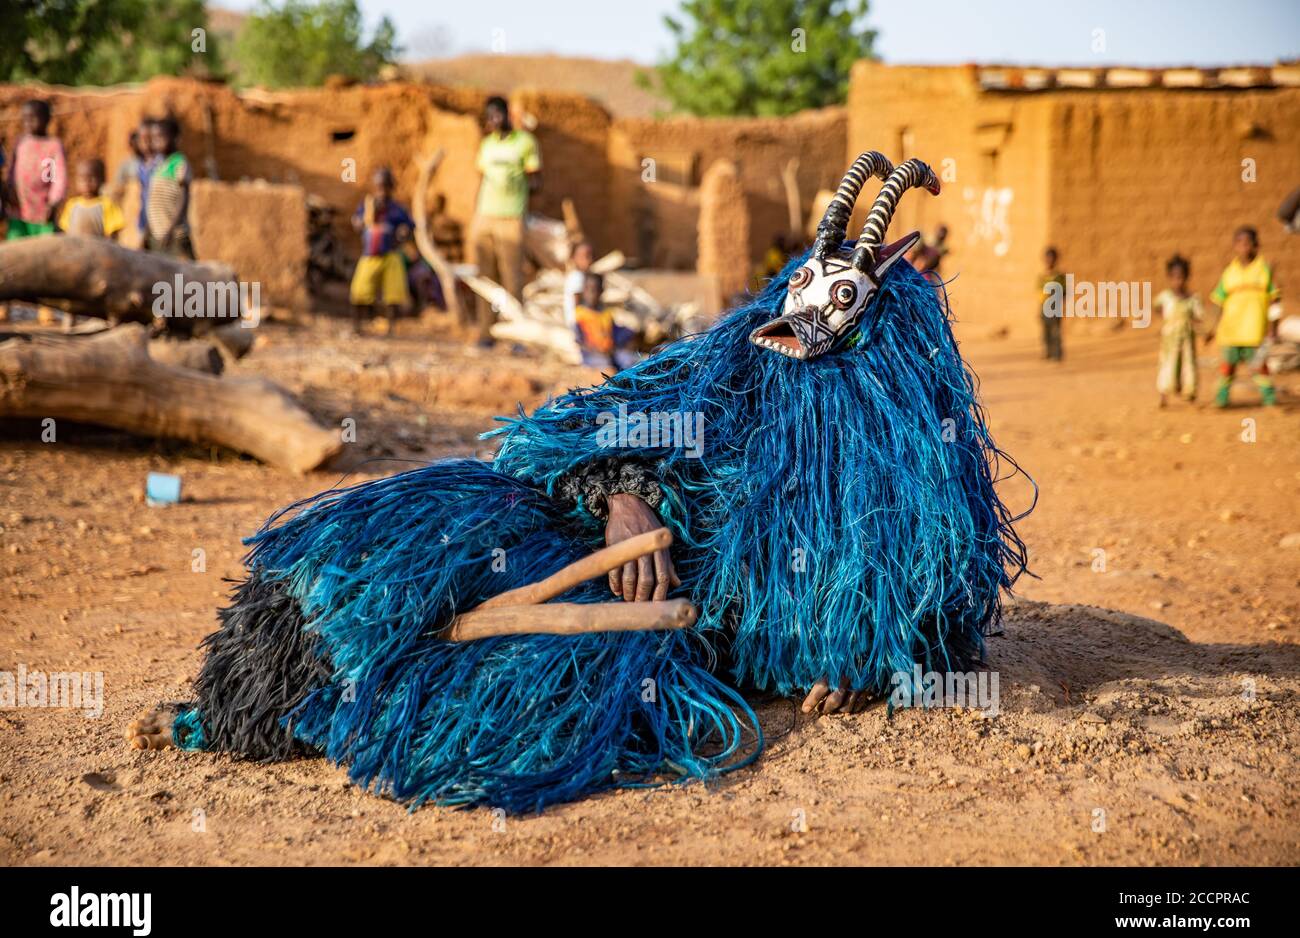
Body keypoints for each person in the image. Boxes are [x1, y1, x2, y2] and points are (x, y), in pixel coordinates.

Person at [125, 153, 1028, 816]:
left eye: (829, 314)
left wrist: (880, 663)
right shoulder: (728, 368)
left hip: (664, 628)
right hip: (575, 524)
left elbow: (937, 605)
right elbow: (578, 421)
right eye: (797, 296)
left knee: (542, 679)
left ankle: (306, 717)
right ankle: (247, 696)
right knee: (411, 549)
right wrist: (622, 492)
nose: (794, 326)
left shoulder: (905, 472)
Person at [470, 95, 541, 337]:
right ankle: (485, 332)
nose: (493, 120)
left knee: (512, 277)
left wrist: (516, 187)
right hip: (485, 216)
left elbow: (536, 179)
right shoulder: (487, 144)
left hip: (511, 217)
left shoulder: (525, 142)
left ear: (507, 113)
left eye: (497, 114)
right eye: (489, 116)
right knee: (485, 277)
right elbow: (481, 178)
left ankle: (517, 333)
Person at [1205, 226, 1281, 408]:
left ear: (1255, 245)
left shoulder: (1264, 270)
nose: (1243, 247)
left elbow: (1275, 300)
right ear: (1234, 246)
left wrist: (1274, 327)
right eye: (1239, 243)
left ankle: (1270, 401)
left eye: (1247, 243)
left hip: (1254, 332)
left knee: (1259, 367)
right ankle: (1221, 401)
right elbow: (1218, 303)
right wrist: (1211, 328)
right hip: (1231, 331)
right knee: (1227, 367)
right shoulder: (1229, 273)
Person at [349, 168, 414, 334]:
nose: (382, 190)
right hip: (370, 254)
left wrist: (404, 231)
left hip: (391, 254)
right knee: (361, 290)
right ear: (374, 187)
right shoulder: (367, 206)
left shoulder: (397, 209)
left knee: (394, 292)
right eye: (379, 186)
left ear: (391, 188)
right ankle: (358, 327)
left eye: (385, 187)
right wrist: (358, 222)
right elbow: (356, 221)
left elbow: (409, 226)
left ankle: (391, 328)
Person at [5, 99, 66, 240]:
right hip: (19, 207)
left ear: (47, 119)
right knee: (16, 247)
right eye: (25, 118)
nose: (28, 122)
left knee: (44, 251)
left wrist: (54, 202)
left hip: (43, 209)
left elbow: (59, 177)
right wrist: (9, 189)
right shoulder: (20, 143)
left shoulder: (53, 146)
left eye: (33, 118)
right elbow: (12, 171)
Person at [1154, 254, 1201, 406]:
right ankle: (1163, 395)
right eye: (1174, 277)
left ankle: (1190, 393)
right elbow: (1156, 307)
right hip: (1170, 339)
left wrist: (1204, 330)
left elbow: (1198, 316)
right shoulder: (1165, 297)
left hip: (1187, 339)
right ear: (1169, 278)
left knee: (1188, 364)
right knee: (1168, 364)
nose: (1177, 281)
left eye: (1181, 277)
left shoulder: (1192, 298)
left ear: (1186, 277)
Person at [144, 117, 193, 258]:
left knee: (186, 276)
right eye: (153, 138)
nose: (155, 142)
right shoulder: (158, 166)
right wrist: (147, 232)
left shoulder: (180, 163)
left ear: (176, 139)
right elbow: (152, 203)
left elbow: (184, 199)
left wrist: (171, 229)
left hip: (175, 234)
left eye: (160, 137)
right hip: (157, 234)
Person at [58, 158, 125, 240]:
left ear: (102, 180)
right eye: (82, 179)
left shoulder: (107, 204)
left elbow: (113, 233)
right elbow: (65, 230)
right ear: (76, 181)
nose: (87, 183)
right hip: (75, 249)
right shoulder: (72, 205)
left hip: (98, 249)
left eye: (91, 178)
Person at [1038, 246, 1065, 361]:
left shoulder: (1059, 276)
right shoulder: (1042, 276)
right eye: (1047, 258)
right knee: (1045, 332)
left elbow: (1064, 291)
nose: (1049, 261)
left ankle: (1057, 354)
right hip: (1044, 307)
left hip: (1055, 307)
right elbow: (1039, 291)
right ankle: (1048, 352)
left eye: (1051, 258)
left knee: (1056, 331)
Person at [563, 239, 595, 330]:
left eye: (589, 256)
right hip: (578, 324)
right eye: (583, 257)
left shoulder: (584, 276)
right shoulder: (577, 277)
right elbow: (578, 305)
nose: (588, 260)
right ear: (574, 258)